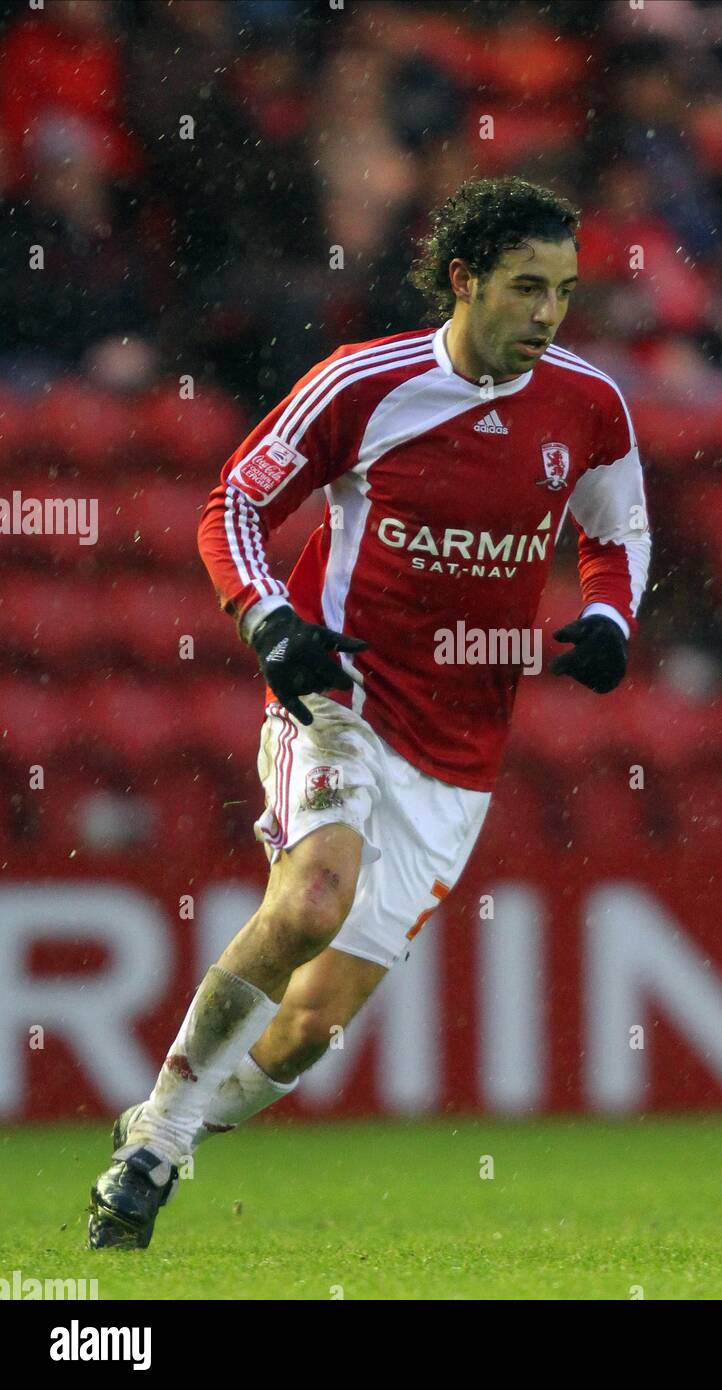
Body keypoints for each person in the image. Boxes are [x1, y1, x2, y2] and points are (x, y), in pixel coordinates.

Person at [86, 176, 651, 1249]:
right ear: (463, 279)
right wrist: (265, 618)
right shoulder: (366, 381)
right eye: (525, 287)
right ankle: (155, 1146)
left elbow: (615, 531)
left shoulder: (588, 404)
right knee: (311, 899)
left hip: (460, 750)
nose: (546, 313)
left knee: (308, 1028)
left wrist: (613, 616)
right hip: (338, 693)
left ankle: (171, 1124)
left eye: (564, 292)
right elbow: (235, 500)